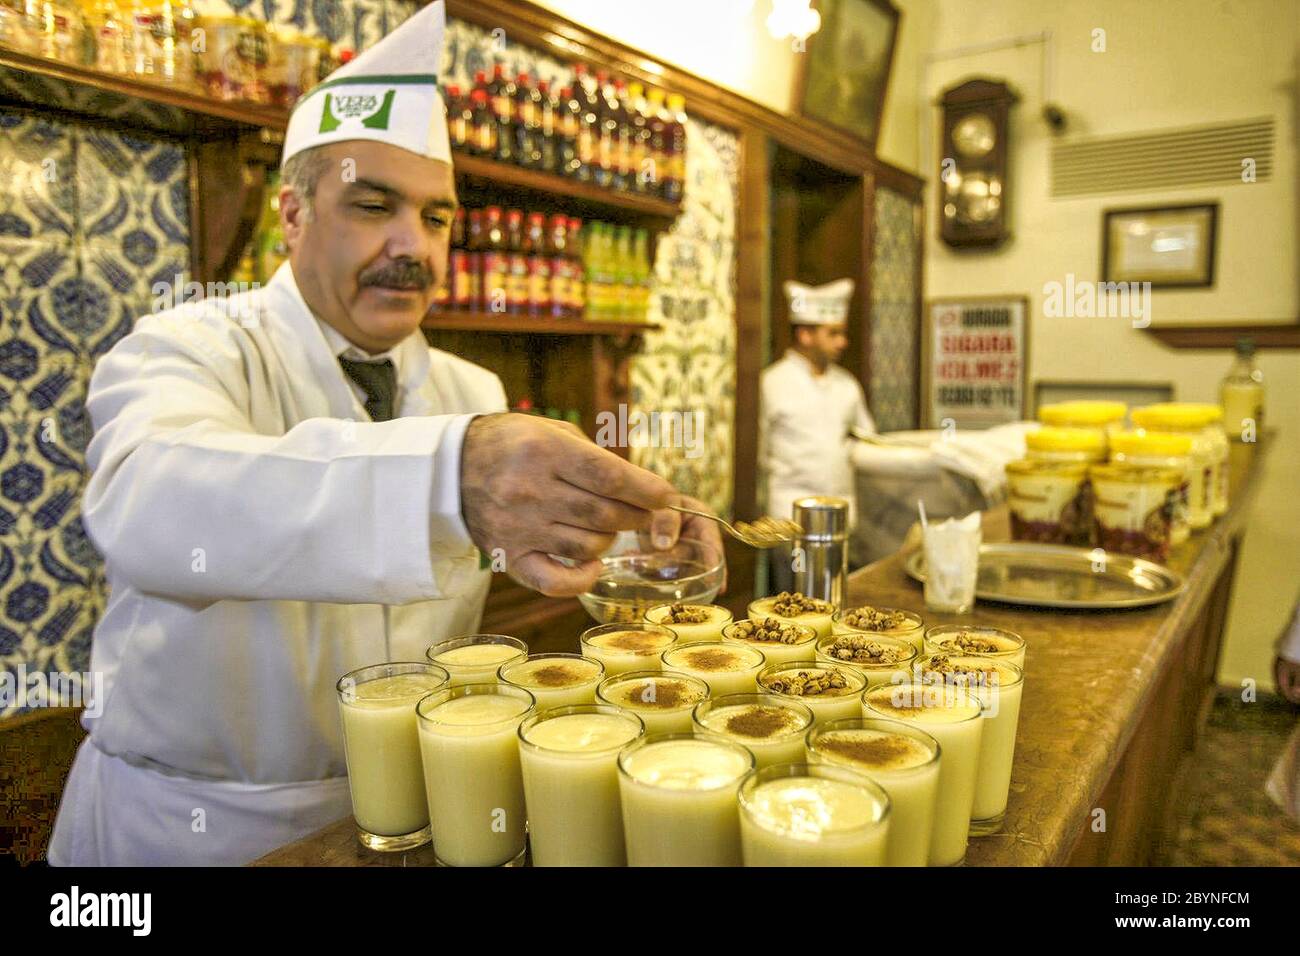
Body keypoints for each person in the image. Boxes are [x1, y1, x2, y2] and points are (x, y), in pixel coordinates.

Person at [47, 2, 719, 866]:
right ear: (291, 215)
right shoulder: (187, 346)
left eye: (437, 218)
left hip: (416, 816)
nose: (413, 246)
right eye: (373, 206)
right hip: (190, 830)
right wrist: (449, 477)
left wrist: (632, 531)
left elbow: (503, 552)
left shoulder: (470, 390)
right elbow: (148, 504)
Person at [759, 279, 874, 591]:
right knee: (791, 606)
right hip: (788, 521)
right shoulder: (772, 383)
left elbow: (867, 442)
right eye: (833, 333)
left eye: (842, 333)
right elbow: (757, 455)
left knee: (838, 599)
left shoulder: (847, 385)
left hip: (841, 519)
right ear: (805, 334)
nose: (842, 342)